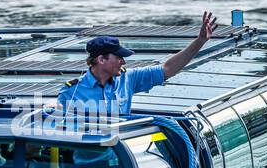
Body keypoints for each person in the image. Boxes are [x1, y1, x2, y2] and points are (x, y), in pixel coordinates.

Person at [56, 11, 218, 119]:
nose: (123, 62)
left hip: (121, 159)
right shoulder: (71, 91)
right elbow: (57, 127)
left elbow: (168, 69)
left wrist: (200, 41)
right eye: (118, 57)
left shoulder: (128, 79)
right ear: (101, 60)